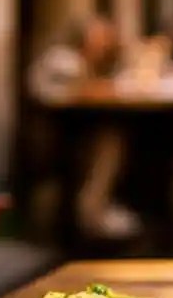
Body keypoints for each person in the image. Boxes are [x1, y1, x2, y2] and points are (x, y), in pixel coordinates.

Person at [28, 17, 139, 240]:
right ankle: (91, 213)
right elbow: (80, 91)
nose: (104, 43)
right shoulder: (63, 60)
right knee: (109, 143)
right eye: (100, 38)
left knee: (113, 138)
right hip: (54, 133)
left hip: (73, 127)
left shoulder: (85, 61)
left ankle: (95, 212)